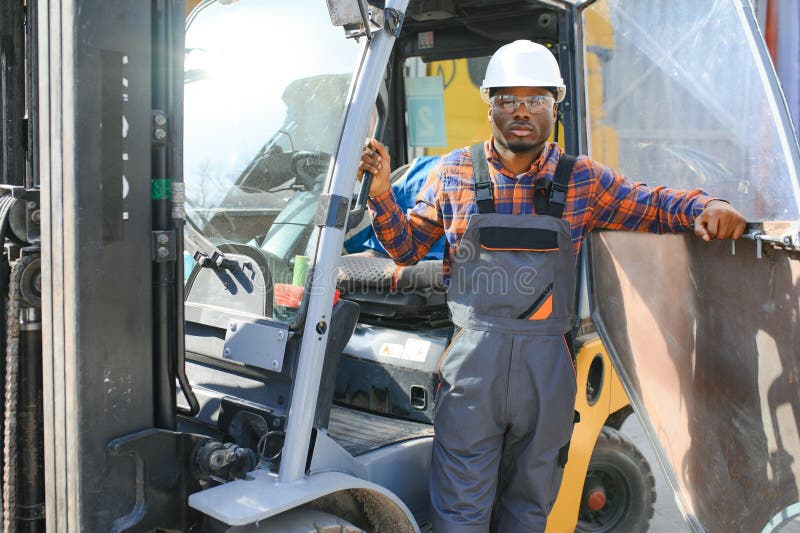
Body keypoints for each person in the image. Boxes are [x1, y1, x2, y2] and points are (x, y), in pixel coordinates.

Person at [358, 40, 746, 532]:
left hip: (547, 374)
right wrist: (381, 196)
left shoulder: (582, 180)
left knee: (529, 510)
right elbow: (408, 247)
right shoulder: (453, 170)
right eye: (507, 100)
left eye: (536, 100)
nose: (521, 111)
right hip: (472, 373)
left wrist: (703, 208)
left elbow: (651, 205)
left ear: (554, 105)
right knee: (457, 515)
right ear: (490, 104)